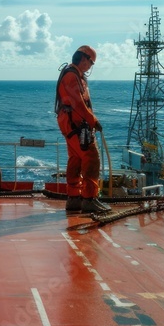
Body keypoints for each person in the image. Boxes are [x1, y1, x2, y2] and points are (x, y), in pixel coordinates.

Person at [55, 45, 111, 213]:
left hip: (71, 124)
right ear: (84, 59)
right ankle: (89, 199)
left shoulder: (74, 75)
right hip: (76, 124)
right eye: (91, 62)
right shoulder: (72, 76)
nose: (91, 66)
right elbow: (78, 103)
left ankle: (74, 198)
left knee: (76, 159)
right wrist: (92, 120)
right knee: (91, 158)